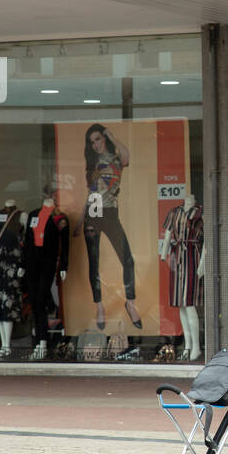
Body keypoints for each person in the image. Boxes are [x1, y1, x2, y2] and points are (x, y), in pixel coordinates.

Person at [73, 124, 140, 330]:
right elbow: (91, 193)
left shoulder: (115, 159)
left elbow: (127, 156)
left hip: (110, 213)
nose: (95, 145)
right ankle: (100, 306)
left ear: (104, 138)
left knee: (127, 259)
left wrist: (111, 135)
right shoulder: (93, 164)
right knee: (94, 262)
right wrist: (80, 220)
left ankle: (130, 302)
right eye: (92, 142)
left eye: (98, 140)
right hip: (93, 214)